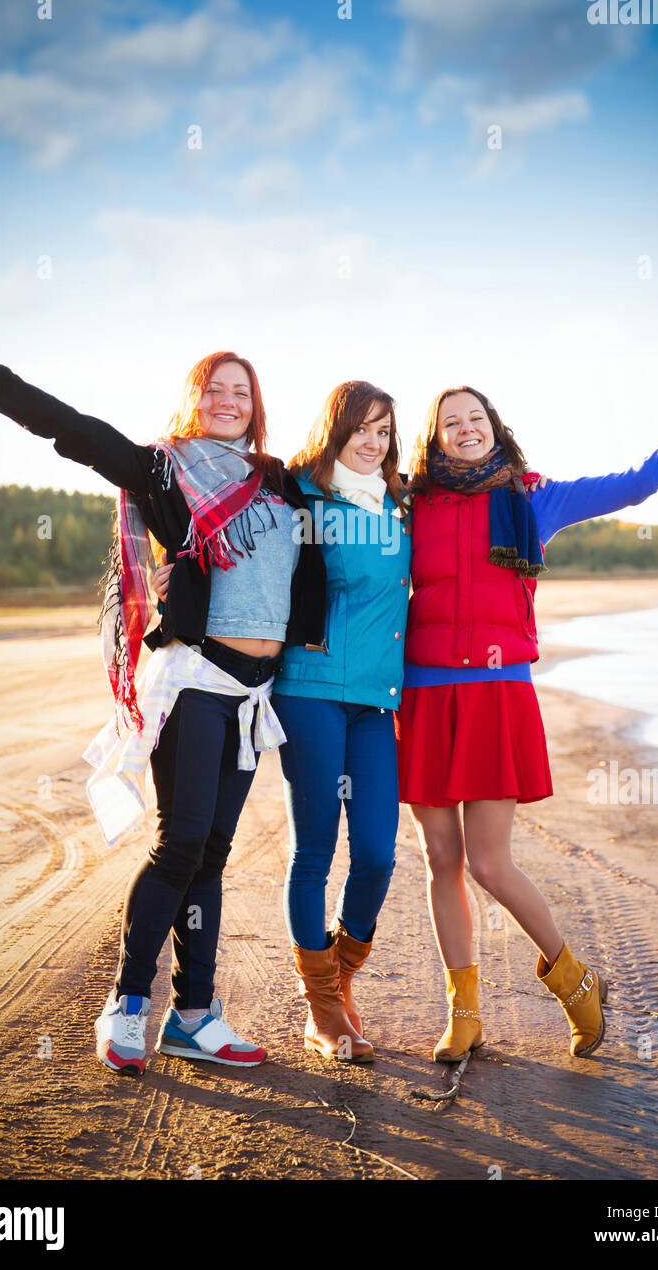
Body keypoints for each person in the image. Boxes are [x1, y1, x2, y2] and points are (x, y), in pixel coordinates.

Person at [0, 324, 326, 1076]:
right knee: (180, 845)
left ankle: (196, 1014)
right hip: (196, 681)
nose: (229, 401)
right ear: (194, 399)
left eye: (242, 391)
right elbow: (75, 433)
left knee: (212, 852)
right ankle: (128, 1005)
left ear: (257, 404)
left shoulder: (282, 481)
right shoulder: (162, 470)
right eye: (215, 389)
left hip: (254, 694)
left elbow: (344, 504)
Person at [396, 378, 658, 1062]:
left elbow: (631, 485)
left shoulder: (533, 499)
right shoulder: (408, 504)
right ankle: (465, 1013)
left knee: (489, 863)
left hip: (496, 690)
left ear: (494, 426)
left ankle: (573, 980)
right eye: (452, 422)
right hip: (424, 691)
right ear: (435, 438)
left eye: (475, 417)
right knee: (439, 858)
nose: (466, 428)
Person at [154, 381, 414, 1061]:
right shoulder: (297, 493)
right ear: (336, 430)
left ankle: (341, 983)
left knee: (381, 854)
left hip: (377, 701)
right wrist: (172, 573)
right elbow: (220, 530)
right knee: (316, 850)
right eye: (361, 427)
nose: (372, 441)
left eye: (384, 431)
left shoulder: (400, 506)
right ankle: (323, 1010)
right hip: (310, 693)